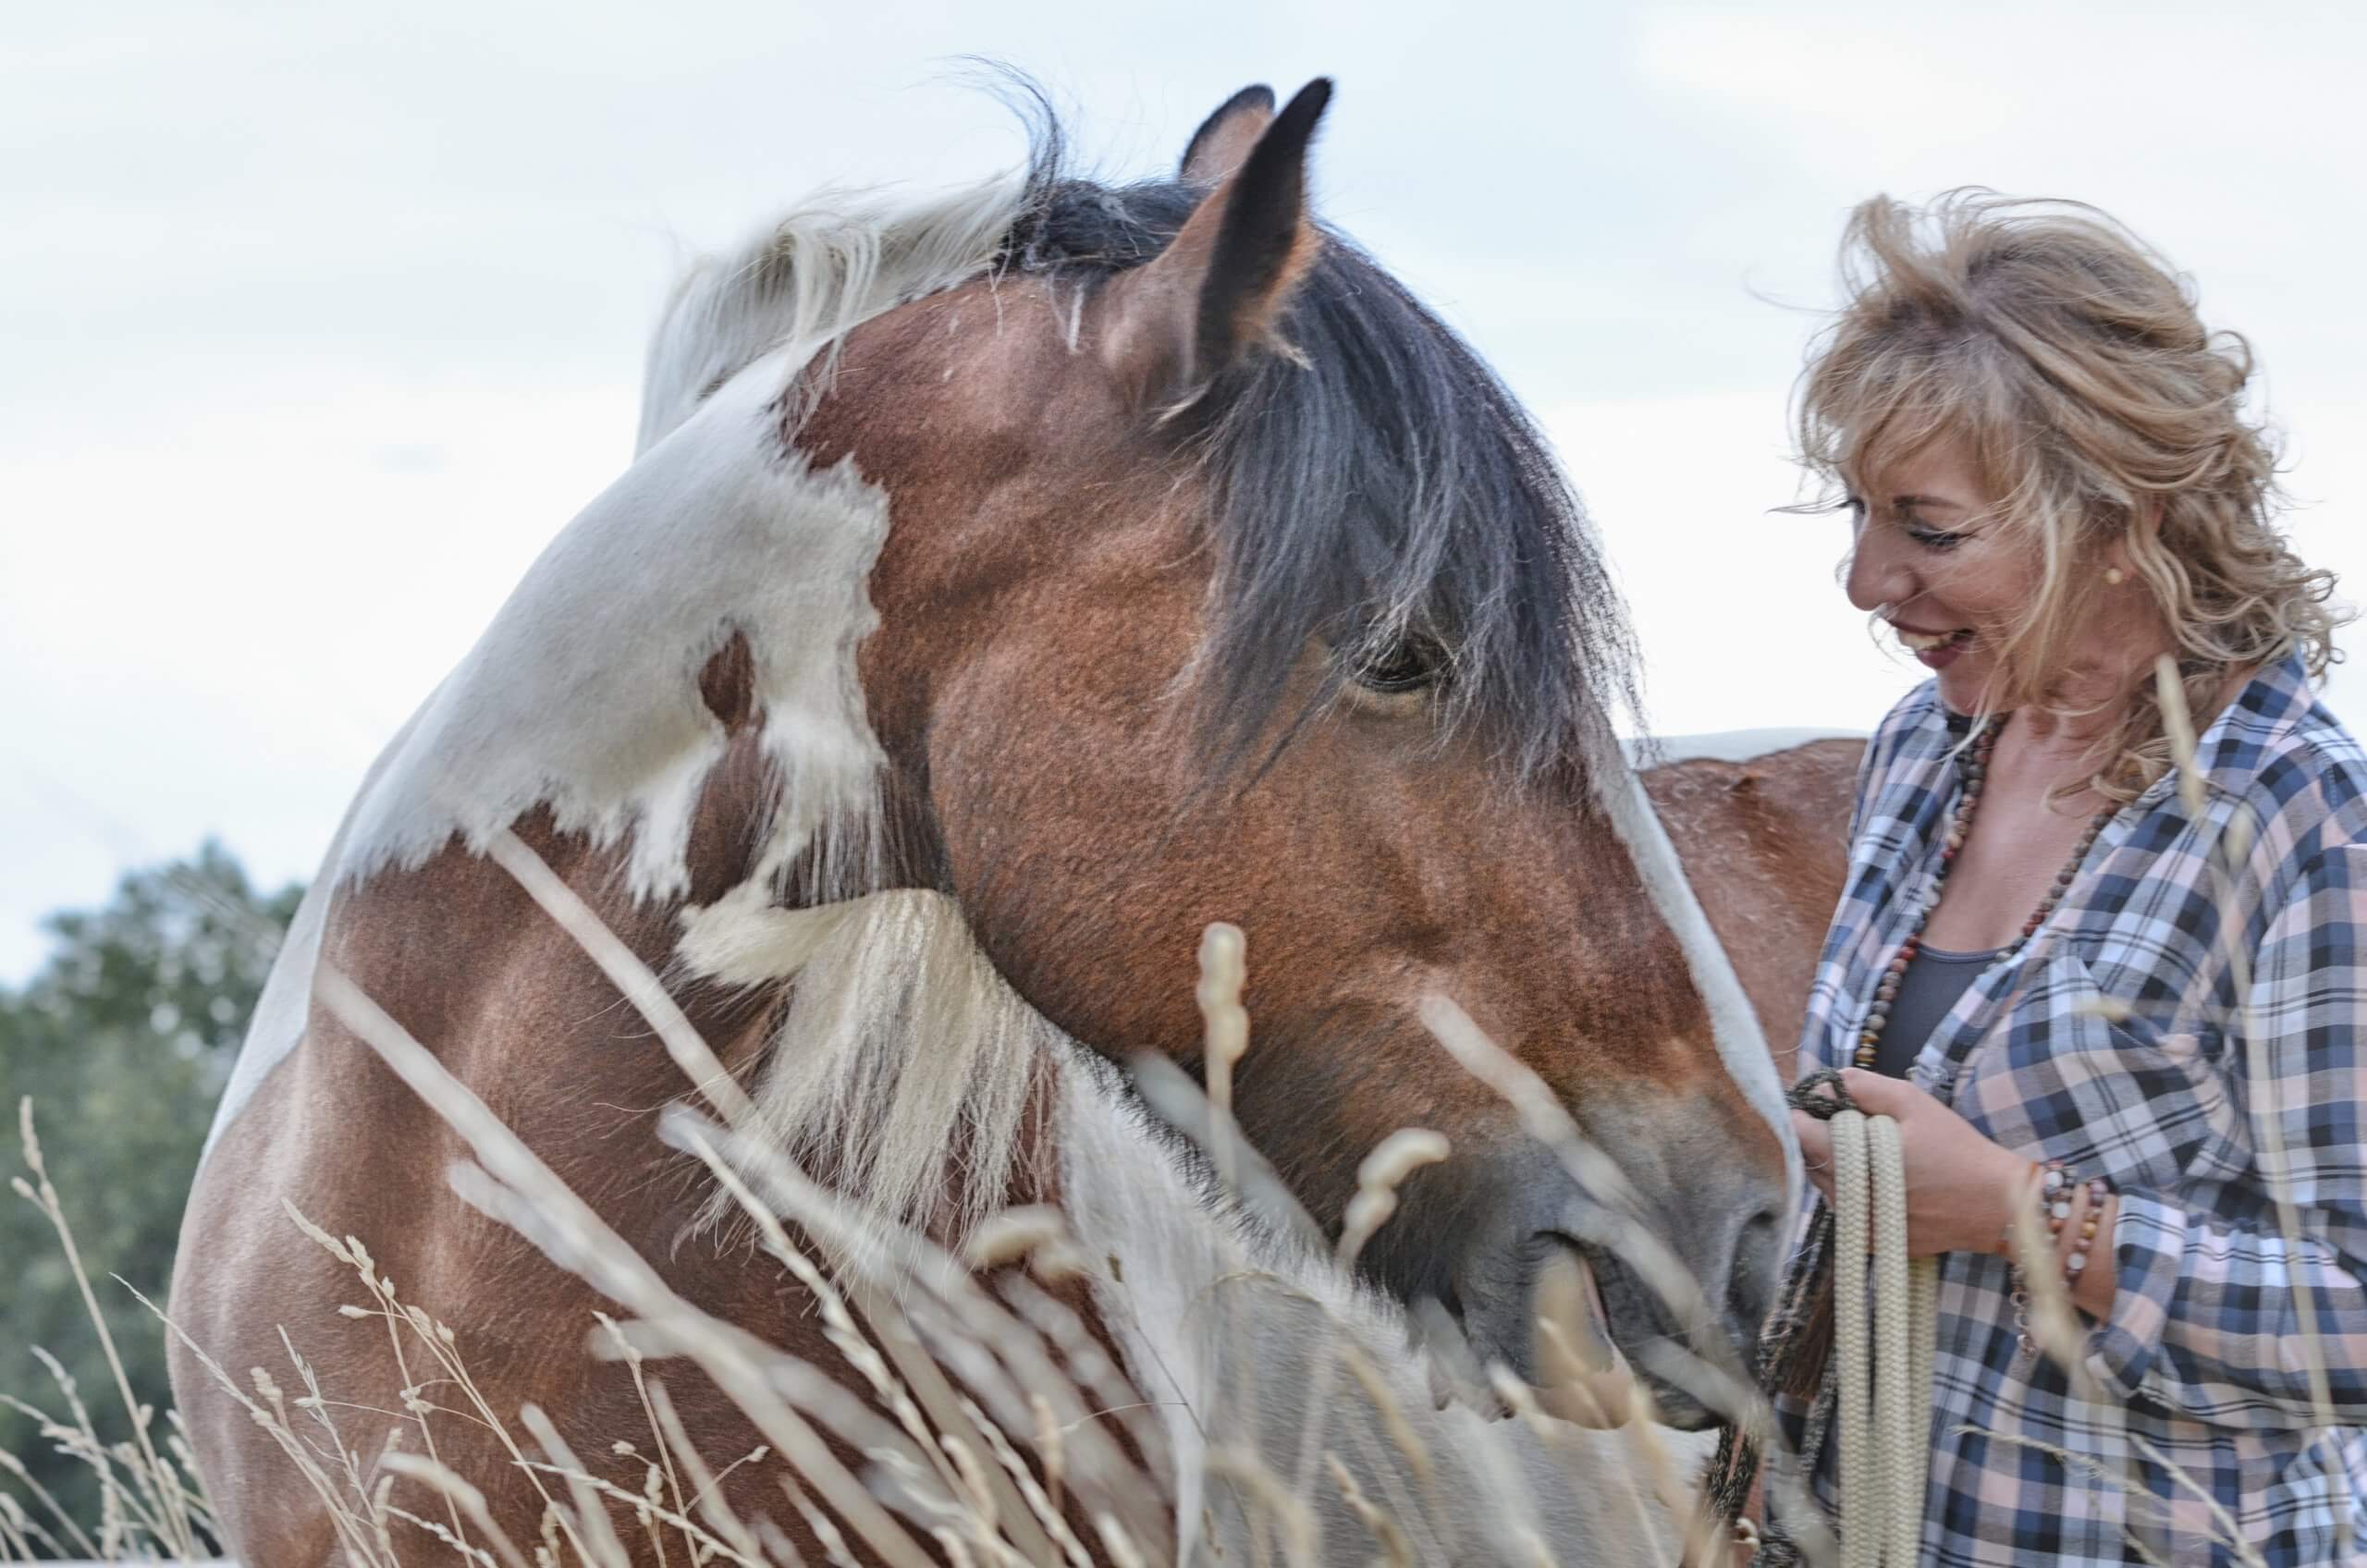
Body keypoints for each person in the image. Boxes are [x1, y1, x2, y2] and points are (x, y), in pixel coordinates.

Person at [1777, 190, 2367, 1565]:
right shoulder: (1922, 751)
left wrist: (2023, 1216)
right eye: (1862, 513)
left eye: (1930, 532)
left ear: (2119, 520)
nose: (1867, 579)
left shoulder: (2303, 819)